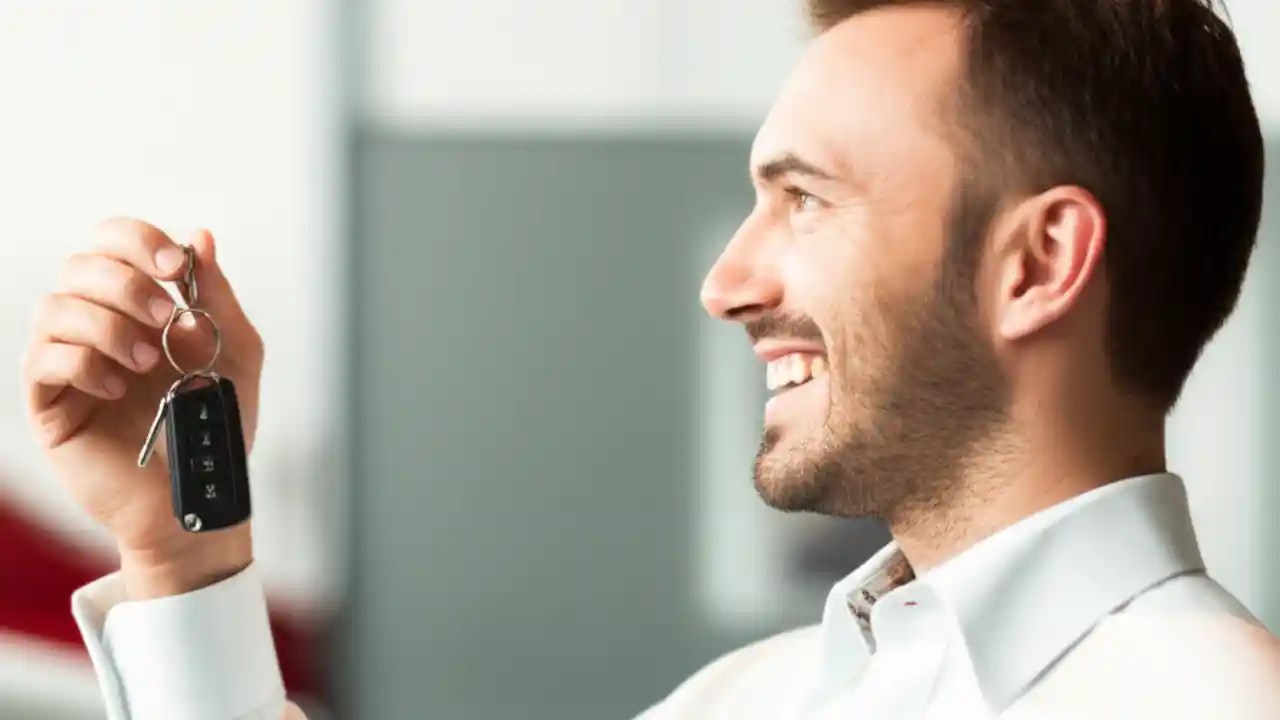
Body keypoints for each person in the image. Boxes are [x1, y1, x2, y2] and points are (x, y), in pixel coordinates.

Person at [22, 0, 1280, 718]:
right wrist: (185, 552)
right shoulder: (740, 705)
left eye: (804, 200)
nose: (724, 283)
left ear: (1037, 260)